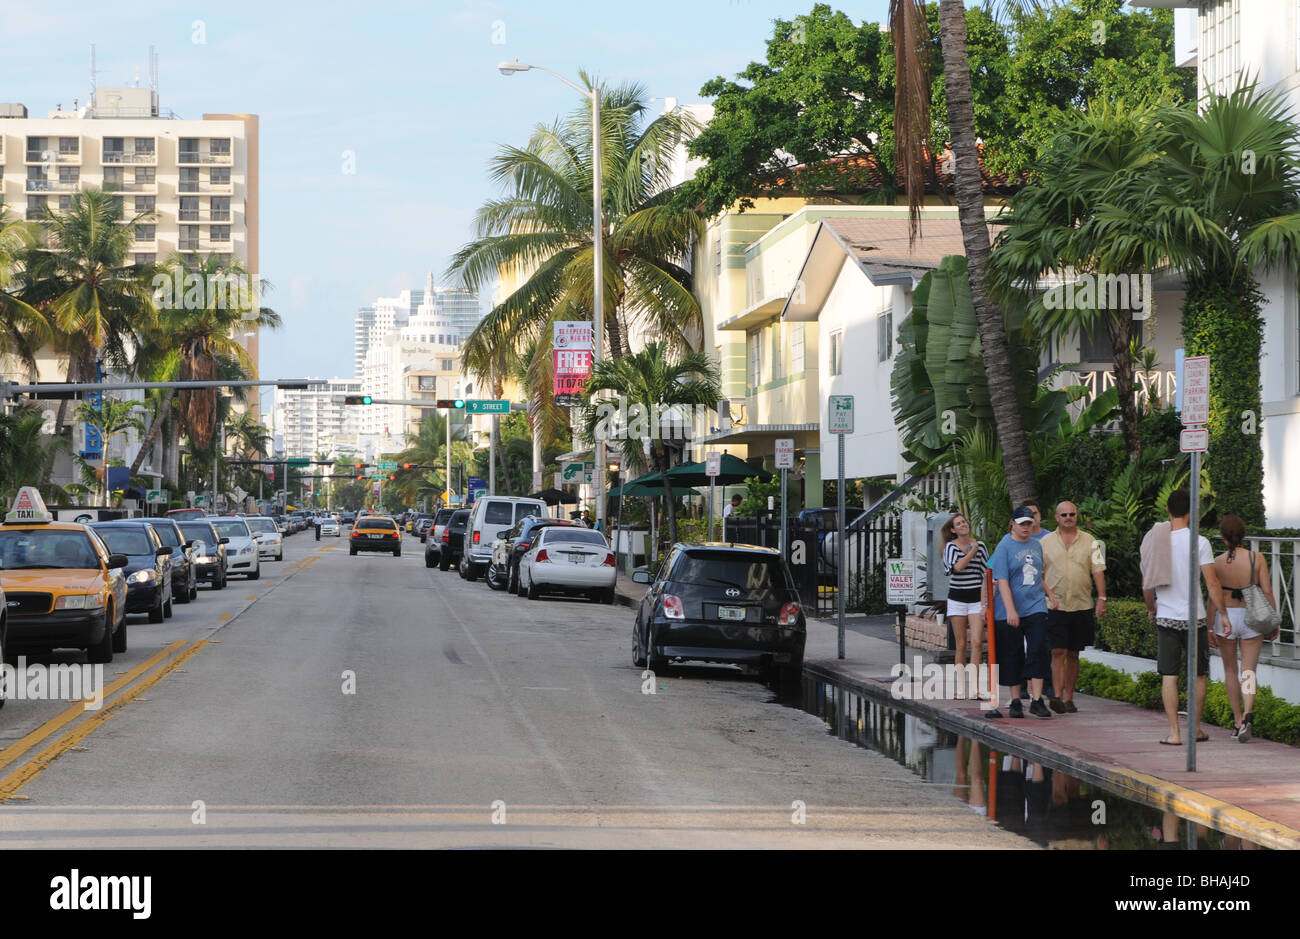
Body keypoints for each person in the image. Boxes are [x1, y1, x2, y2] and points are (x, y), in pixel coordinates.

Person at [1140, 489, 1225, 746]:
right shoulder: (1200, 542)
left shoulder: (1156, 541)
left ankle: (1175, 733)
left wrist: (1150, 607)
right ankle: (1195, 730)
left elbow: (1147, 584)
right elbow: (1212, 583)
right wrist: (1222, 614)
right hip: (1195, 618)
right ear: (1191, 512)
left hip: (1166, 616)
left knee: (1169, 675)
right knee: (1198, 674)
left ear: (1167, 510)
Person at [1205, 514, 1279, 742]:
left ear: (1223, 537)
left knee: (1229, 670)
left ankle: (1237, 721)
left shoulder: (1216, 562)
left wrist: (1209, 627)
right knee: (1248, 671)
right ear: (1243, 535)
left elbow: (1211, 596)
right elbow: (1267, 591)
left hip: (1225, 616)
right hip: (1251, 617)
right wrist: (1273, 620)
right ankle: (1248, 714)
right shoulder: (1257, 558)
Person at [987, 507, 1058, 719]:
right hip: (1009, 608)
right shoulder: (1004, 547)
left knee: (1038, 648)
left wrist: (1050, 595)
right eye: (1022, 523)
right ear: (1013, 524)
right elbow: (1002, 581)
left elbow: (1039, 575)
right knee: (1012, 653)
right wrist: (1010, 610)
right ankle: (1016, 699)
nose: (1027, 527)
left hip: (1035, 605)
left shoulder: (1037, 546)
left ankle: (1037, 700)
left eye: (1030, 523)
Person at [1040, 501, 1107, 713]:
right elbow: (1039, 574)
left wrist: (1102, 598)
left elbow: (1098, 571)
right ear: (1056, 517)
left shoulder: (1090, 541)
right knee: (1057, 651)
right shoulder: (1044, 542)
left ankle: (1069, 697)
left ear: (1076, 516)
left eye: (1072, 514)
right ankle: (1056, 696)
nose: (1068, 517)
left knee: (1073, 653)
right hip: (1055, 605)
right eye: (1064, 515)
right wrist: (1047, 593)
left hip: (1081, 604)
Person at [941, 512, 989, 699]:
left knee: (977, 643)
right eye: (958, 524)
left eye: (964, 522)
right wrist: (971, 551)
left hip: (976, 598)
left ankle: (975, 688)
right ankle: (961, 688)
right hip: (957, 599)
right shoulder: (950, 547)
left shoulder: (981, 546)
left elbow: (986, 573)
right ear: (953, 529)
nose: (963, 525)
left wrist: (984, 602)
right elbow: (957, 568)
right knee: (961, 644)